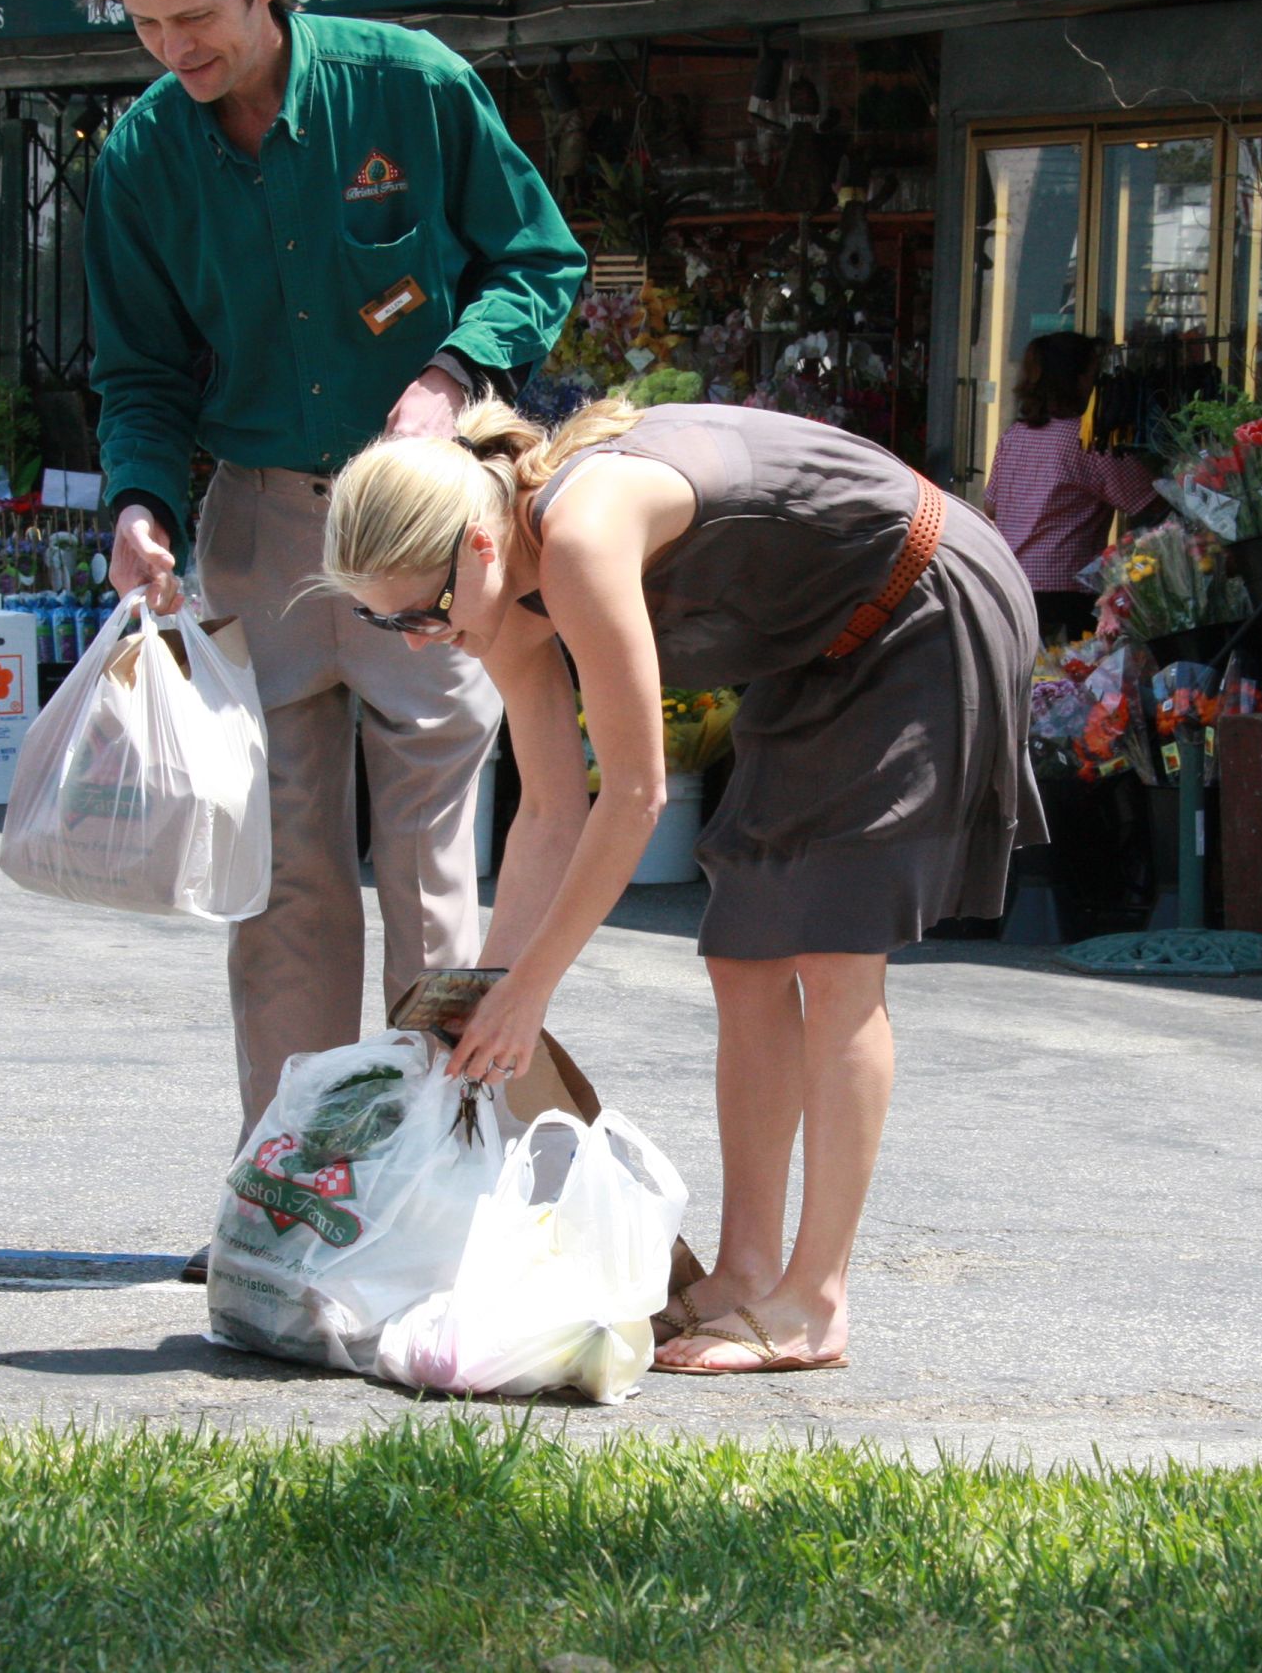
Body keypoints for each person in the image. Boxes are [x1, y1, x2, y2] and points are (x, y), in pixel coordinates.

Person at [59, 0, 585, 1280]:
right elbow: (139, 373)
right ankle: (283, 1196)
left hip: (426, 510)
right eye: (145, 26)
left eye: (196, 17)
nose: (174, 48)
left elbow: (539, 258)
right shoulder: (140, 157)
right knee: (279, 881)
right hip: (261, 520)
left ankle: (441, 1185)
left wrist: (452, 373)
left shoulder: (410, 83)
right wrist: (138, 504)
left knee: (436, 874)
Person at [319, 397, 1046, 1374]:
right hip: (817, 643)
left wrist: (531, 990)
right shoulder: (498, 599)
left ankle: (815, 1303)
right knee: (745, 958)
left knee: (834, 957)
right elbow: (548, 813)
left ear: (479, 546)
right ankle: (745, 1273)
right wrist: (487, 991)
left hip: (920, 603)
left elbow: (634, 794)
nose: (416, 640)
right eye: (386, 621)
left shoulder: (580, 535)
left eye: (421, 612)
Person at [984, 332, 1160, 641]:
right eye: (1093, 375)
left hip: (1009, 582)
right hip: (1065, 593)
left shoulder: (1013, 437)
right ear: (1075, 380)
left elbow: (991, 506)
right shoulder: (1085, 442)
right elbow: (1148, 500)